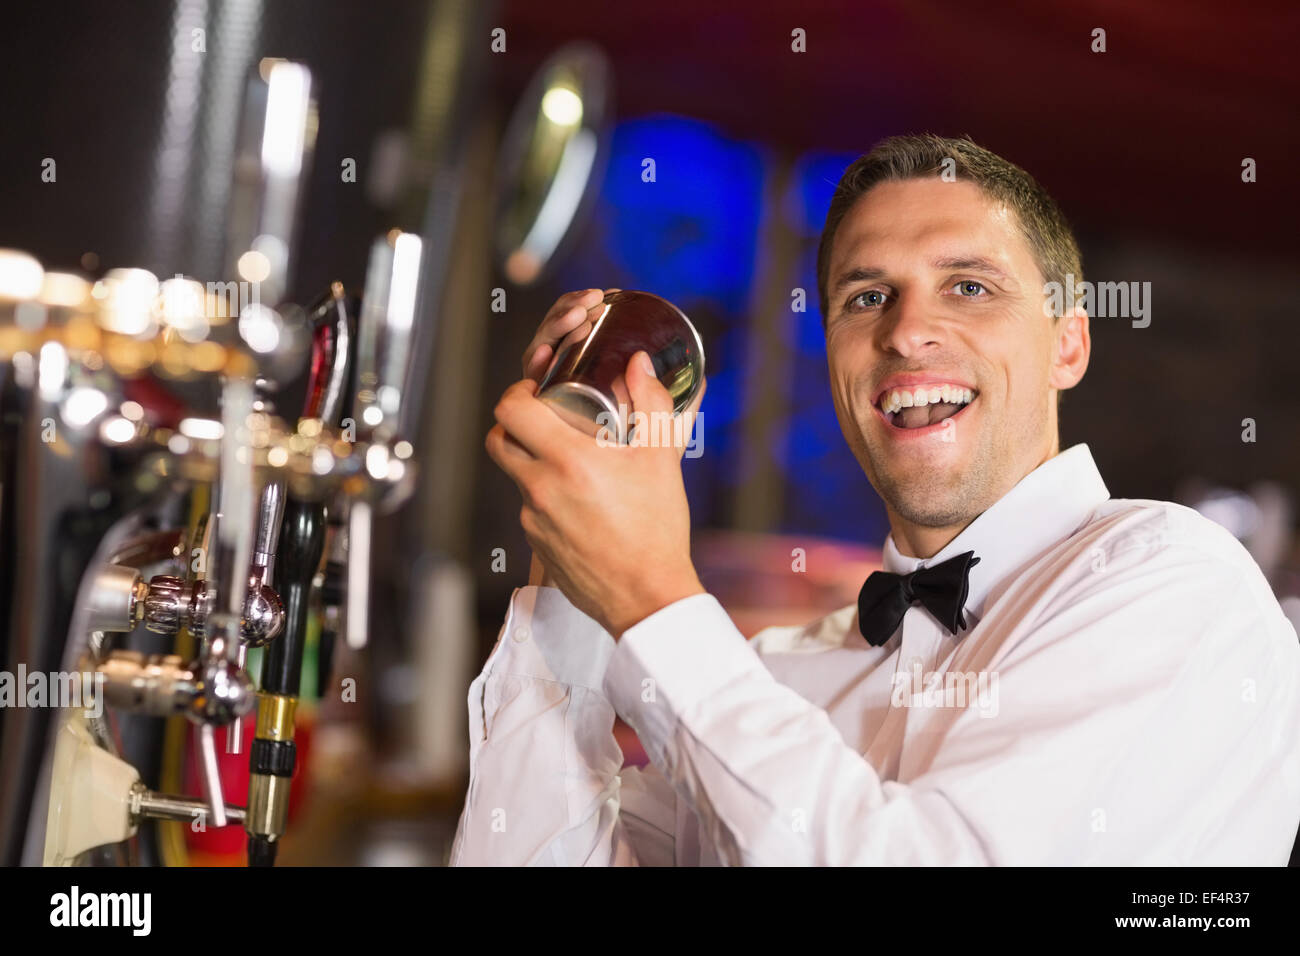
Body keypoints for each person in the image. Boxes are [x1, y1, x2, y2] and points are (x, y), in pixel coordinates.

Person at [452, 134, 1300, 865]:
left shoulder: (1175, 580)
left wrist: (649, 594)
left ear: (1068, 342)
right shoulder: (775, 676)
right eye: (866, 298)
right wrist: (568, 561)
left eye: (968, 286)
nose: (904, 331)